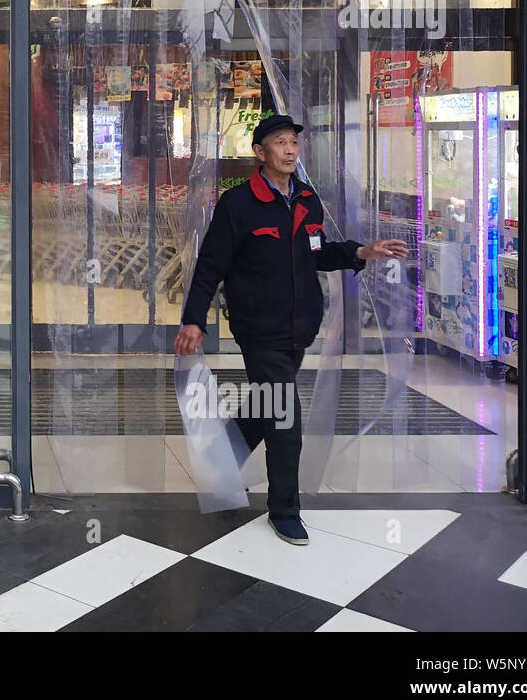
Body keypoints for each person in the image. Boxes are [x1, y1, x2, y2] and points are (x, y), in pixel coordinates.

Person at [175, 113, 408, 546]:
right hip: (259, 328)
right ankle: (284, 511)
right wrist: (194, 319)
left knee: (267, 406)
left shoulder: (307, 201)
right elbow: (210, 267)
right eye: (279, 143)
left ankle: (219, 459)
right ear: (260, 153)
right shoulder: (238, 205)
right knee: (285, 419)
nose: (289, 150)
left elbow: (316, 254)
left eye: (293, 143)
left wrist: (363, 250)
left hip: (300, 327)